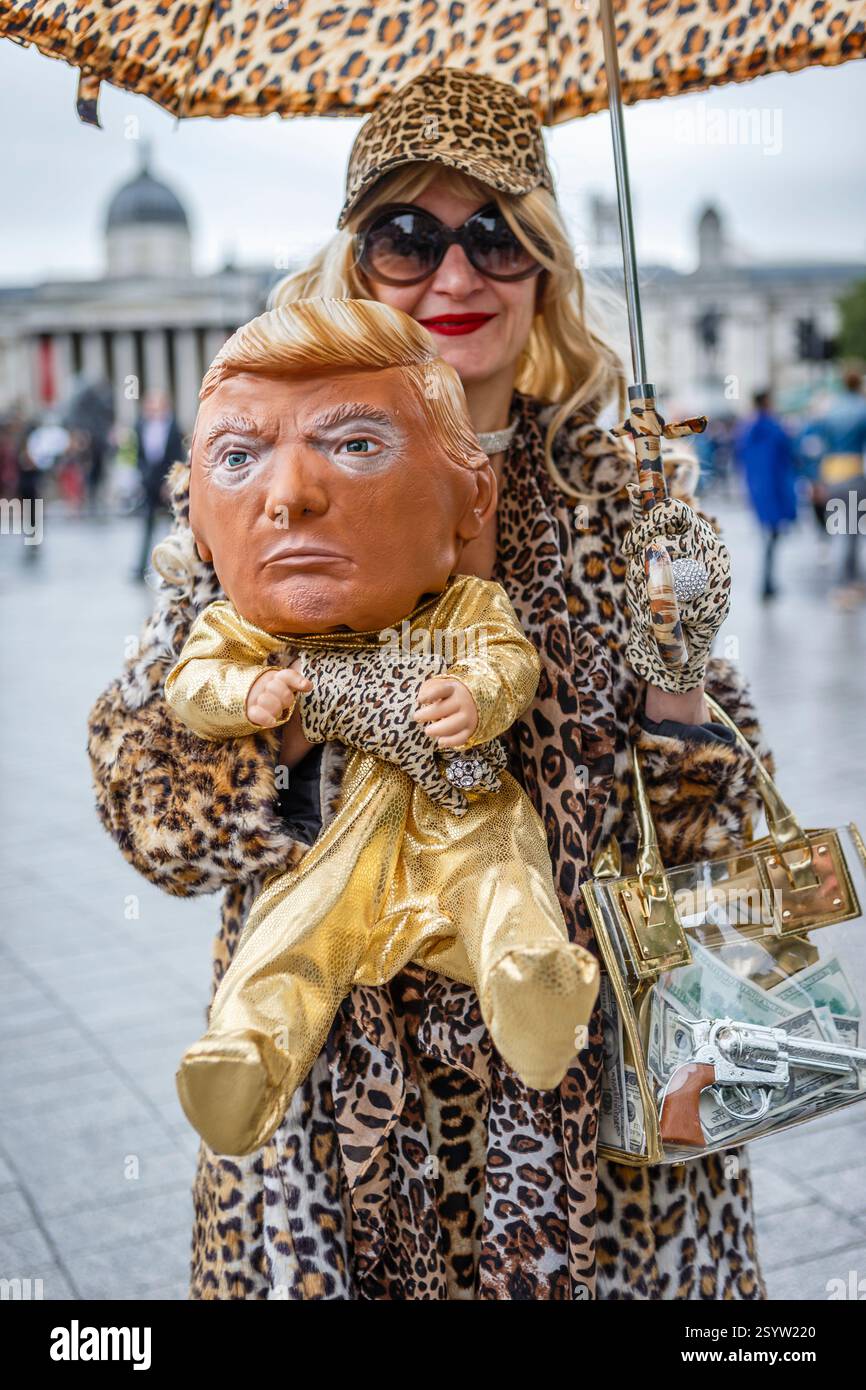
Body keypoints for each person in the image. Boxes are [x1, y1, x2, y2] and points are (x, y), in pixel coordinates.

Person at [88, 67, 769, 1301]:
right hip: (326, 1122)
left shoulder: (629, 506)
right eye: (406, 238)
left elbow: (713, 839)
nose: (453, 279)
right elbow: (145, 805)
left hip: (588, 1115)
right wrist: (290, 731)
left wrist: (678, 702)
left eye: (493, 237)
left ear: (545, 266)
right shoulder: (248, 494)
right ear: (354, 263)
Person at [734, 390, 797, 599]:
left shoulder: (747, 429)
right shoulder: (774, 427)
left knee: (768, 534)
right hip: (775, 487)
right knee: (772, 535)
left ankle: (767, 581)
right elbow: (787, 456)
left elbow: (741, 458)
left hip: (758, 488)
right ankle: (767, 582)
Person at [813, 369, 866, 606]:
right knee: (852, 531)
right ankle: (846, 584)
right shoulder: (862, 408)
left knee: (836, 530)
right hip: (854, 473)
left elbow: (818, 446)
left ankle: (844, 582)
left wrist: (818, 480)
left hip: (830, 476)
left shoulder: (829, 410)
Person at [132, 389, 184, 582]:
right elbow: (138, 456)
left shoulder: (174, 426)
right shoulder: (140, 426)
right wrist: (143, 478)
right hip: (149, 485)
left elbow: (177, 456)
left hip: (166, 484)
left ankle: (176, 565)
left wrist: (170, 482)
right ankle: (140, 568)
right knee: (147, 526)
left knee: (174, 526)